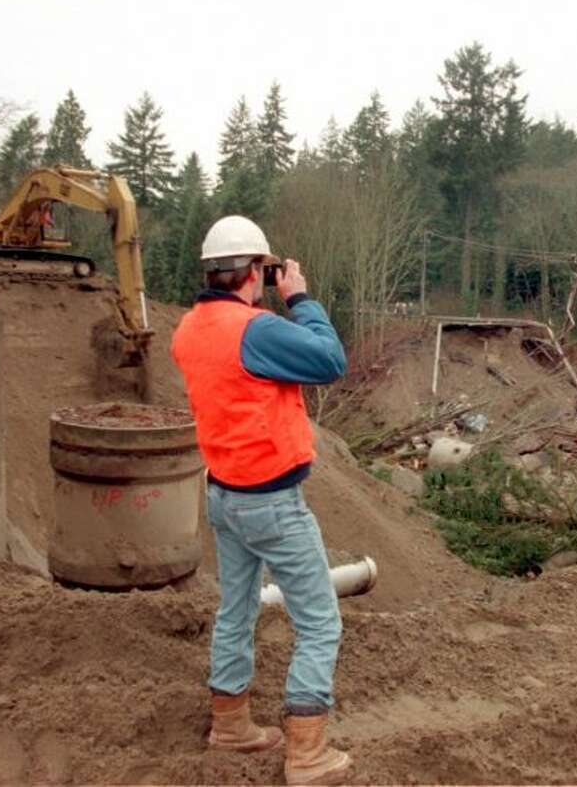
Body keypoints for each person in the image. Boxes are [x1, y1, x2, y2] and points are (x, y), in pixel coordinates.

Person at [170, 215, 351, 786]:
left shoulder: (189, 329)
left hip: (223, 494)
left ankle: (230, 724)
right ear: (256, 270)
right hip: (271, 501)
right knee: (319, 622)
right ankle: (307, 753)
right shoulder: (256, 331)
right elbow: (330, 361)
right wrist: (299, 298)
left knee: (237, 608)